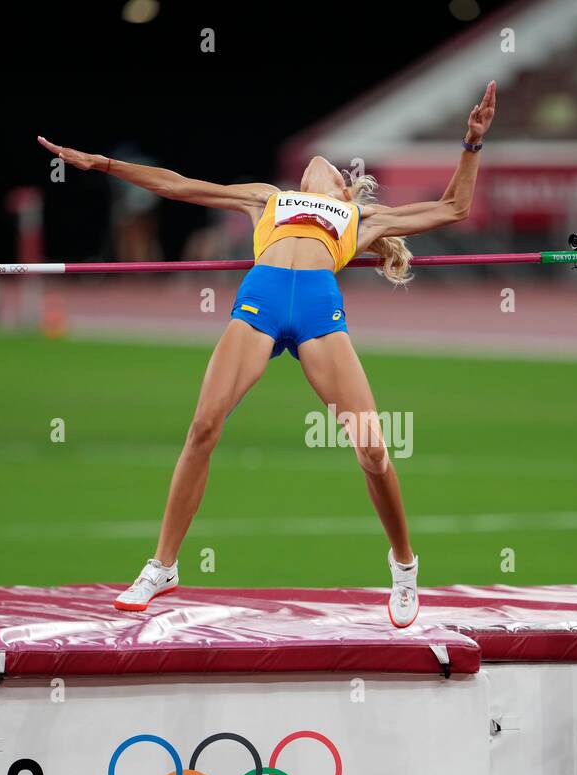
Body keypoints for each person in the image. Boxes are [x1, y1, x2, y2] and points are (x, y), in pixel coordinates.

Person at [38, 81, 497, 627]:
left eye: (336, 172)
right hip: (260, 301)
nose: (320, 165)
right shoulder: (266, 197)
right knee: (204, 427)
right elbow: (180, 186)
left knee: (372, 450)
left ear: (346, 192)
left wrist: (471, 143)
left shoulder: (362, 219)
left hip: (318, 314)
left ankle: (403, 565)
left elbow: (453, 207)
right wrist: (104, 164)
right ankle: (162, 565)